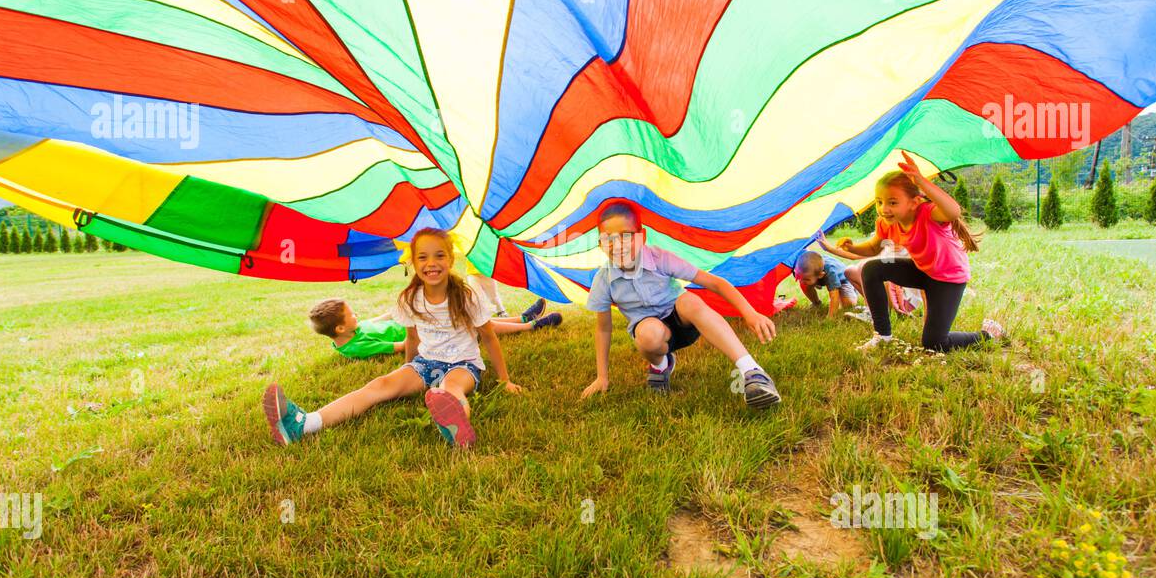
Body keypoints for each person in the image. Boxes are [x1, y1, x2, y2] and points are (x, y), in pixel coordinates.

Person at [264, 228, 523, 449]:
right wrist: (408, 368)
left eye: (439, 255)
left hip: (463, 365)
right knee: (378, 386)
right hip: (425, 363)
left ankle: (458, 431)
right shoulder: (409, 299)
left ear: (451, 259)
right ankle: (304, 425)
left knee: (450, 388)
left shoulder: (467, 296)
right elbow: (412, 337)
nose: (431, 263)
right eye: (423, 257)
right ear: (413, 262)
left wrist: (505, 380)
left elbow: (489, 337)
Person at [579, 201, 781, 407]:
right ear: (600, 244)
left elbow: (714, 282)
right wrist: (602, 377)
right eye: (609, 239)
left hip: (684, 322)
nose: (618, 245)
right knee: (647, 335)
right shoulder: (603, 280)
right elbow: (603, 328)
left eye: (626, 236)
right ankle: (661, 365)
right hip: (654, 335)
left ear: (643, 237)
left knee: (690, 301)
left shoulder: (660, 258)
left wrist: (750, 313)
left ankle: (752, 371)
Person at [835, 153, 1003, 352]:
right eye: (879, 202)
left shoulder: (928, 213)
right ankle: (882, 335)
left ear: (914, 202)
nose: (883, 209)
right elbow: (873, 248)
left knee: (935, 343)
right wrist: (852, 247)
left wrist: (921, 181)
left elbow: (953, 211)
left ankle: (988, 334)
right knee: (871, 269)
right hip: (922, 271)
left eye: (892, 202)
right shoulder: (887, 223)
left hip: (948, 278)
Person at [308, 297, 560, 360]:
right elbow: (402, 346)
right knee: (475, 326)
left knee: (471, 317)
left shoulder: (354, 330)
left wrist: (401, 308)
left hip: (419, 320)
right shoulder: (357, 347)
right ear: (340, 328)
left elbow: (382, 318)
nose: (357, 315)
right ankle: (529, 326)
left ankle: (522, 318)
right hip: (424, 332)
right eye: (351, 315)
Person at [792, 248, 858, 318]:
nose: (801, 281)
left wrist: (830, 318)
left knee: (848, 304)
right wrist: (801, 277)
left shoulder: (830, 272)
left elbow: (834, 295)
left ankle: (854, 289)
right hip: (816, 277)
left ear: (820, 275)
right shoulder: (800, 267)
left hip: (843, 279)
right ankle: (816, 303)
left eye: (806, 279)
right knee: (804, 284)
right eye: (799, 276)